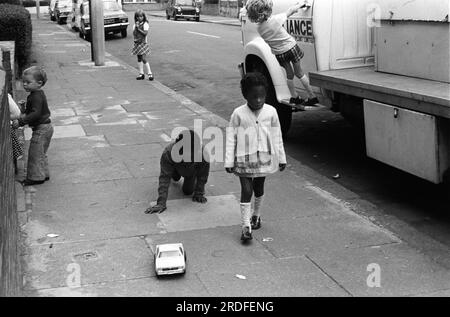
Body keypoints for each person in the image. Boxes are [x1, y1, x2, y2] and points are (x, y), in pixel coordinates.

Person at [225, 72, 287, 242]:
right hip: (244, 159)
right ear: (245, 95)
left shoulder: (271, 112)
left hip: (264, 157)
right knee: (246, 190)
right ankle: (246, 227)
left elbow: (277, 136)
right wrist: (229, 161)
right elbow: (232, 138)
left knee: (259, 188)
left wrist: (281, 158)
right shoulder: (238, 114)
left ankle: (256, 216)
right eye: (254, 97)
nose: (258, 100)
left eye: (262, 96)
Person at [246, 0, 318, 106]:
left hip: (281, 54)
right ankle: (312, 96)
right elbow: (290, 11)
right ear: (267, 10)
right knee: (299, 73)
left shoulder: (259, 28)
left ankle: (294, 97)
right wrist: (299, 4)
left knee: (289, 75)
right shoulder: (275, 20)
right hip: (292, 48)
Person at [145, 129, 210, 214]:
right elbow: (164, 178)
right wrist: (161, 203)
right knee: (175, 178)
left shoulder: (202, 153)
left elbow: (203, 174)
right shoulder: (168, 152)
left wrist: (199, 193)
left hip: (191, 171)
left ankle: (186, 177)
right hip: (175, 167)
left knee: (188, 191)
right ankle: (174, 173)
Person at [13, 66, 53, 186]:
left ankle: (35, 178)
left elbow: (36, 114)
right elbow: (35, 111)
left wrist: (21, 122)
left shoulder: (35, 96)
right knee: (41, 152)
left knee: (34, 154)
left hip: (41, 129)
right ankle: (43, 174)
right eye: (23, 82)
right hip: (46, 128)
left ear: (39, 83)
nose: (24, 84)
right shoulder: (36, 94)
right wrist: (25, 109)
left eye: (28, 82)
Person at [132, 9, 153, 81]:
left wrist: (138, 29)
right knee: (139, 58)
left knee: (144, 59)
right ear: (136, 17)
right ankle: (141, 74)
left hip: (143, 43)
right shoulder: (135, 25)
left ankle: (150, 74)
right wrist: (136, 28)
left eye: (141, 16)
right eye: (138, 17)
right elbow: (134, 34)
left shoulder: (145, 24)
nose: (139, 18)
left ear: (144, 17)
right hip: (137, 43)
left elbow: (145, 34)